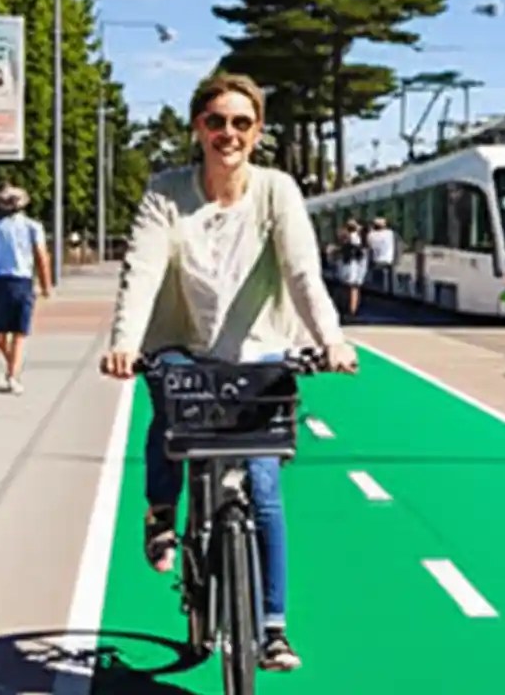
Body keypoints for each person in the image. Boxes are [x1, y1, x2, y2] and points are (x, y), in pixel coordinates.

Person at [99, 72, 358, 672]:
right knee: (168, 406)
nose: (228, 133)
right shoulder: (167, 191)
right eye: (216, 121)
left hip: (261, 349)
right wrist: (124, 342)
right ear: (199, 127)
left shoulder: (276, 192)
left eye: (241, 123)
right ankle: (160, 515)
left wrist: (332, 341)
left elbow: (301, 271)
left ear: (257, 131)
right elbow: (140, 270)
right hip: (183, 342)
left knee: (264, 486)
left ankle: (273, 628)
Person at [0, 184, 51, 394]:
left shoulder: (14, 226)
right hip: (16, 281)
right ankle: (13, 368)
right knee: (12, 332)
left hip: (6, 280)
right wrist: (46, 284)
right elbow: (41, 256)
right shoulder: (23, 226)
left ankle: (12, 373)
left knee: (6, 333)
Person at [336, 219, 367, 317]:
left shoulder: (344, 237)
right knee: (353, 288)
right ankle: (352, 310)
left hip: (346, 264)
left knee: (346, 287)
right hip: (353, 265)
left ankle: (345, 308)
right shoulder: (356, 238)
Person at [366, 216, 395, 294]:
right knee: (390, 276)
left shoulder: (370, 235)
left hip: (376, 261)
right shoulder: (389, 233)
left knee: (378, 281)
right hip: (388, 261)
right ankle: (390, 292)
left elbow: (369, 246)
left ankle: (378, 291)